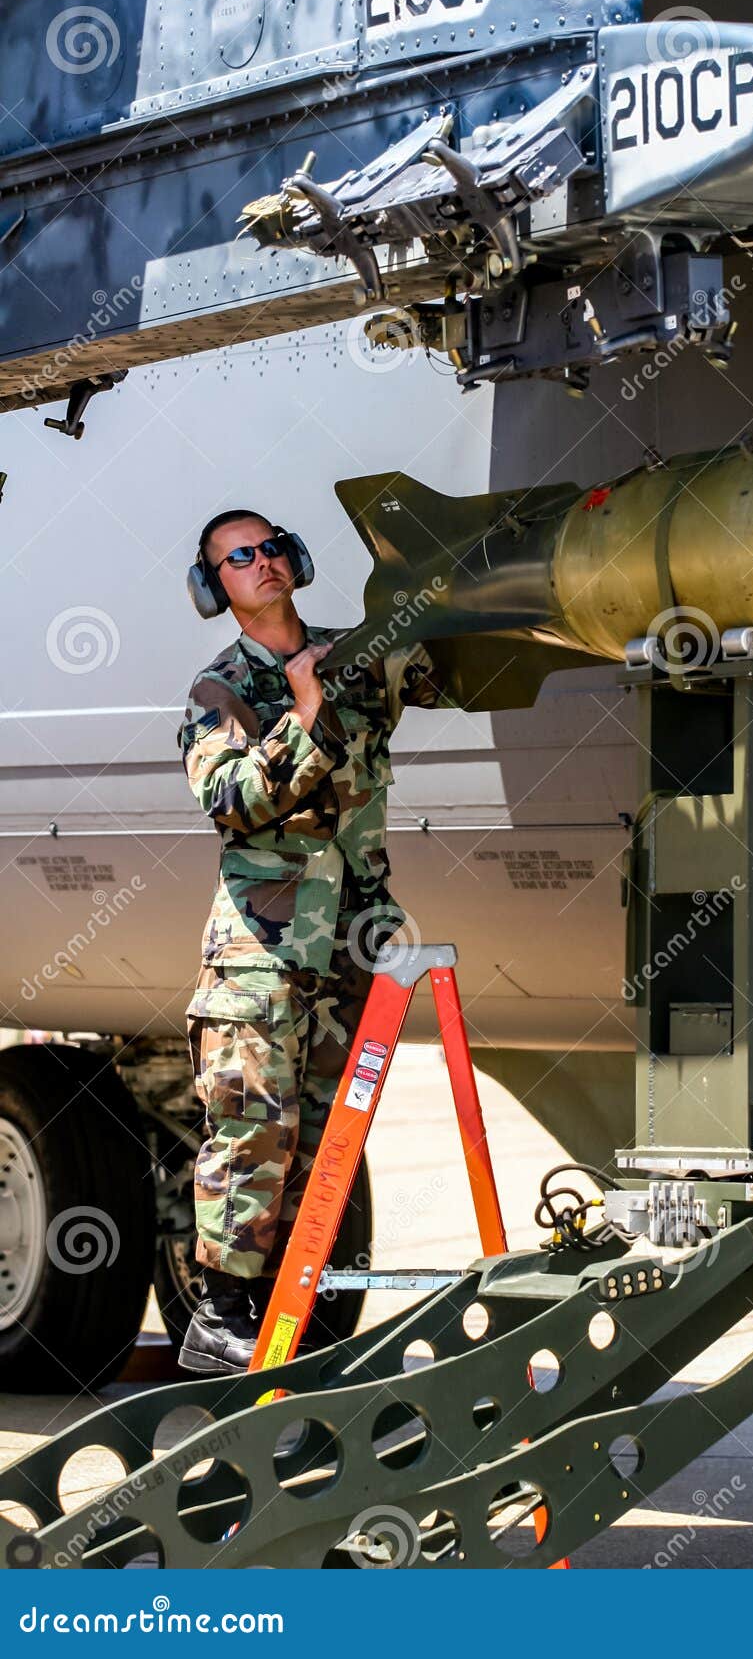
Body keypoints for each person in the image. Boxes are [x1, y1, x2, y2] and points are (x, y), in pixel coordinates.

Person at [176, 509, 443, 1373]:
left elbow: (456, 667)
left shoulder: (358, 653)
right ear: (215, 586)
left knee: (326, 1147)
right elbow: (234, 803)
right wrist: (305, 708)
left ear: (294, 560)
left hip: (351, 945)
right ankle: (220, 1316)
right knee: (255, 1130)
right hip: (263, 947)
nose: (261, 564)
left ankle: (297, 1318)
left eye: (270, 548)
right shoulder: (218, 690)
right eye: (238, 558)